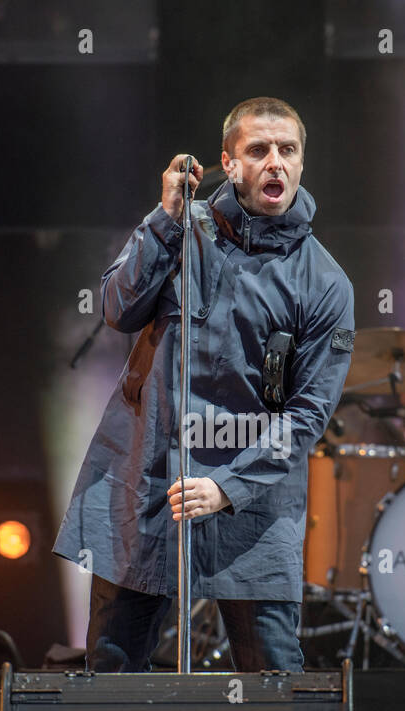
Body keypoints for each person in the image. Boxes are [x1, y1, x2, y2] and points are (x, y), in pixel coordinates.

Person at [53, 96, 355, 673]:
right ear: (229, 162)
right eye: (258, 150)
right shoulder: (179, 233)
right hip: (149, 483)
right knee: (112, 672)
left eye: (287, 151)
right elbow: (117, 308)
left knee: (270, 677)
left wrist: (228, 487)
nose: (275, 163)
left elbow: (309, 413)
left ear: (301, 163)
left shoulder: (325, 281)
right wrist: (164, 217)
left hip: (254, 500)